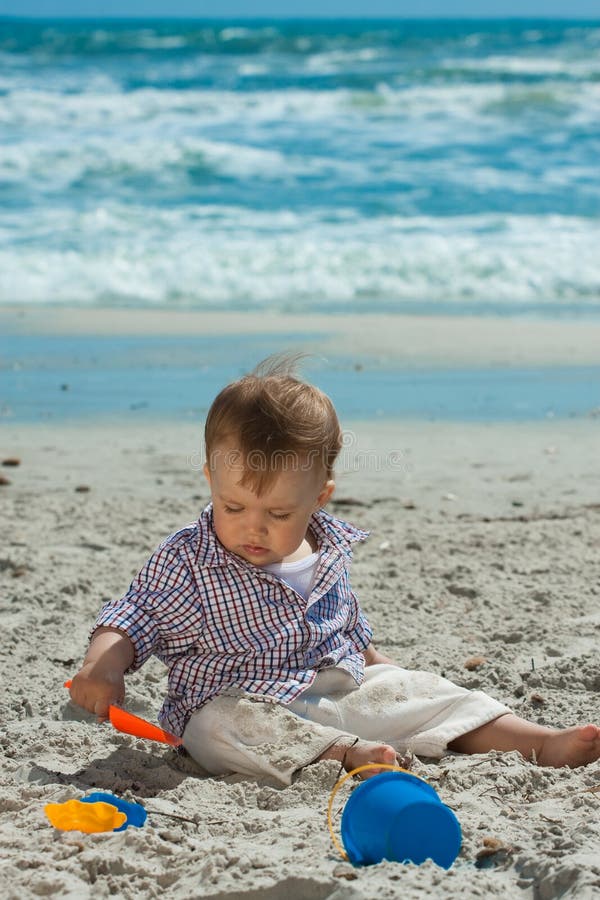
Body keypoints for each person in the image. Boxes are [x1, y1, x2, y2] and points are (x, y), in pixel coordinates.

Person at [68, 356, 600, 786]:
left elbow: (348, 630)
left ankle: (537, 740)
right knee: (213, 729)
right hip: (245, 704)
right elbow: (134, 616)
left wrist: (391, 676)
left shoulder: (328, 550)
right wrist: (103, 665)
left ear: (318, 497)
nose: (254, 529)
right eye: (234, 507)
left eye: (279, 514)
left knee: (425, 693)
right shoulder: (189, 558)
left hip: (337, 691)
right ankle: (343, 756)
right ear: (210, 477)